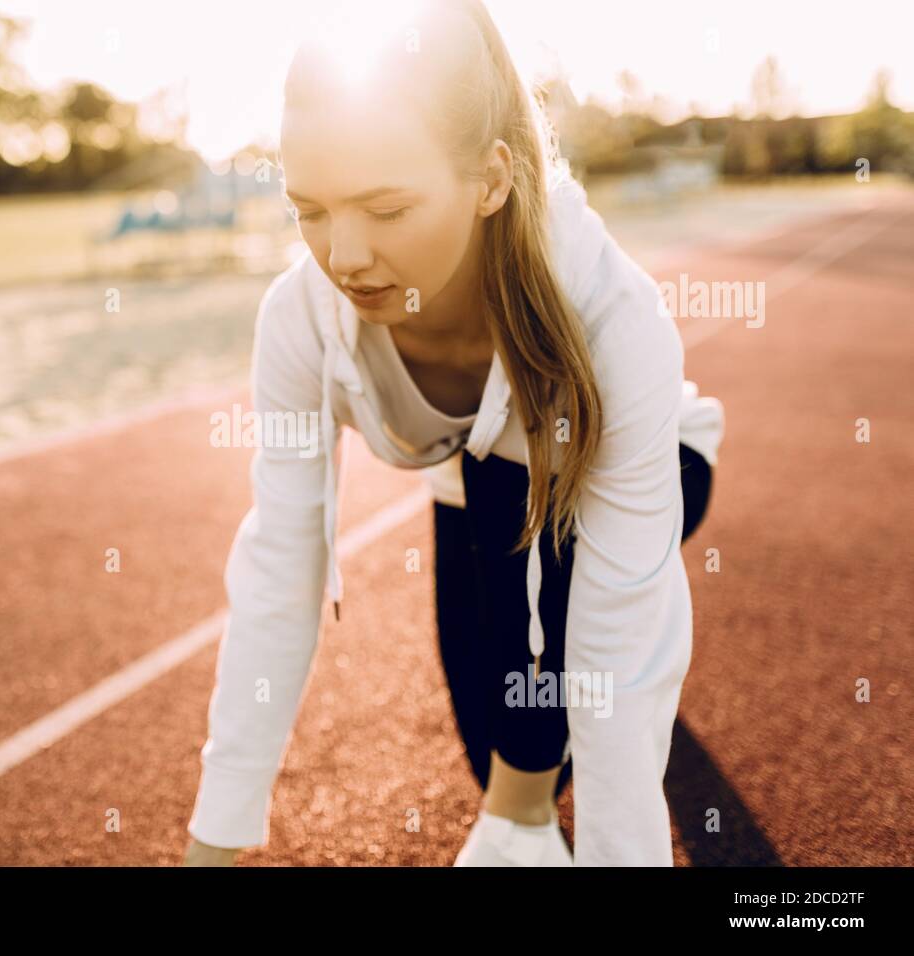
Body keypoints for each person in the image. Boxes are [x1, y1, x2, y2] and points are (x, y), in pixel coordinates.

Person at [183, 0, 725, 867]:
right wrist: (215, 839)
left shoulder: (610, 319)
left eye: (386, 209)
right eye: (308, 210)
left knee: (532, 766)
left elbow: (620, 644)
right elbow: (282, 565)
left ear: (491, 179)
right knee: (502, 741)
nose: (345, 254)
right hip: (468, 478)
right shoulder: (296, 321)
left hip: (649, 462)